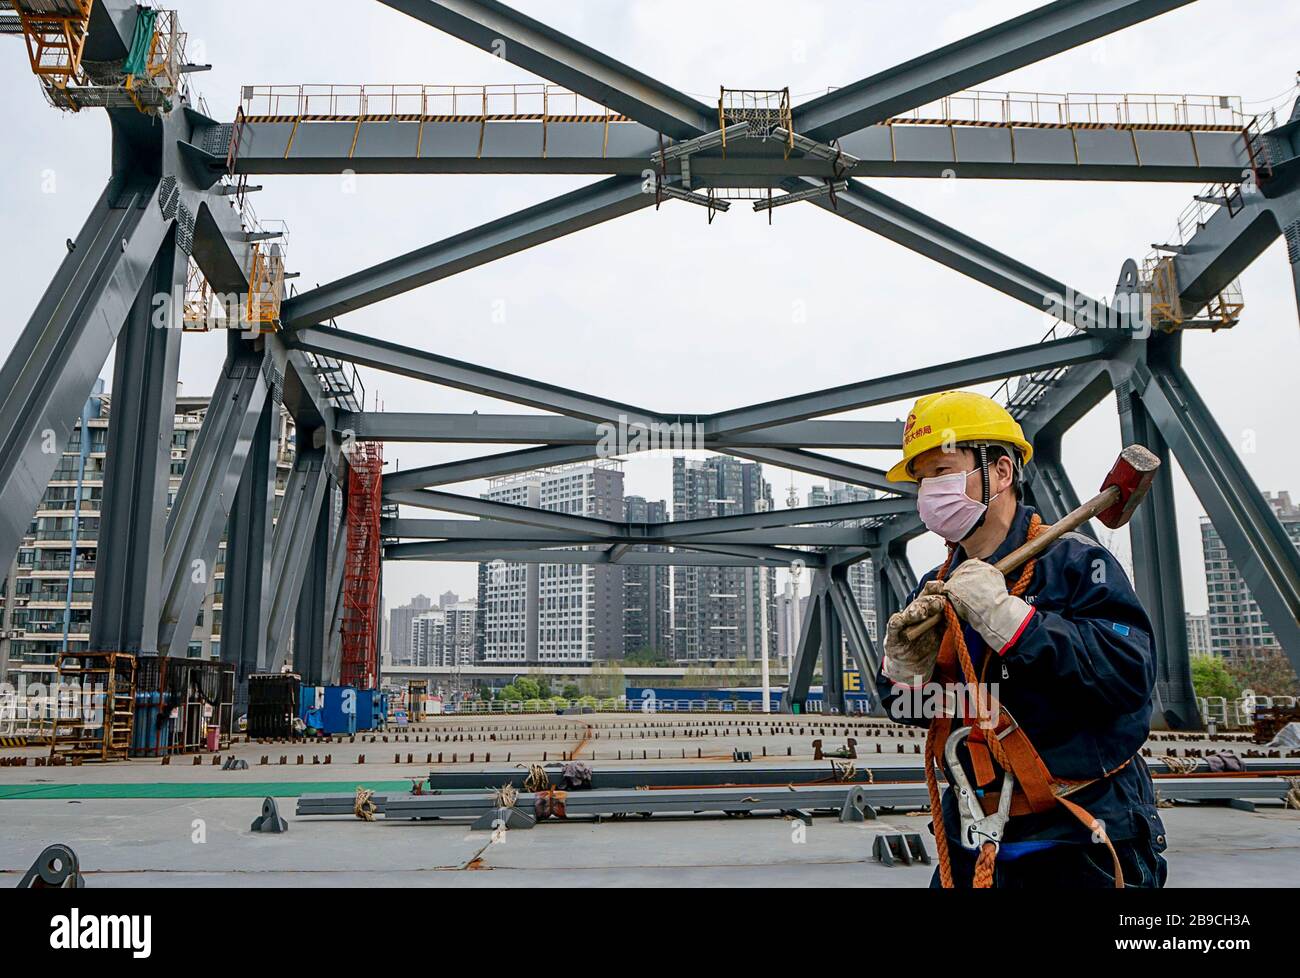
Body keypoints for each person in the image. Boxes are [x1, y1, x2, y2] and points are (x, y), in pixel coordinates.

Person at [876, 390, 1168, 888]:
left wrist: (1012, 620)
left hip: (1079, 837)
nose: (930, 491)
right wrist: (904, 671)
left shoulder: (1076, 563)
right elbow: (914, 712)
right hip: (974, 835)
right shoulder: (936, 587)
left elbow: (1128, 676)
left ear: (1003, 472)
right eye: (922, 480)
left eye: (943, 472)